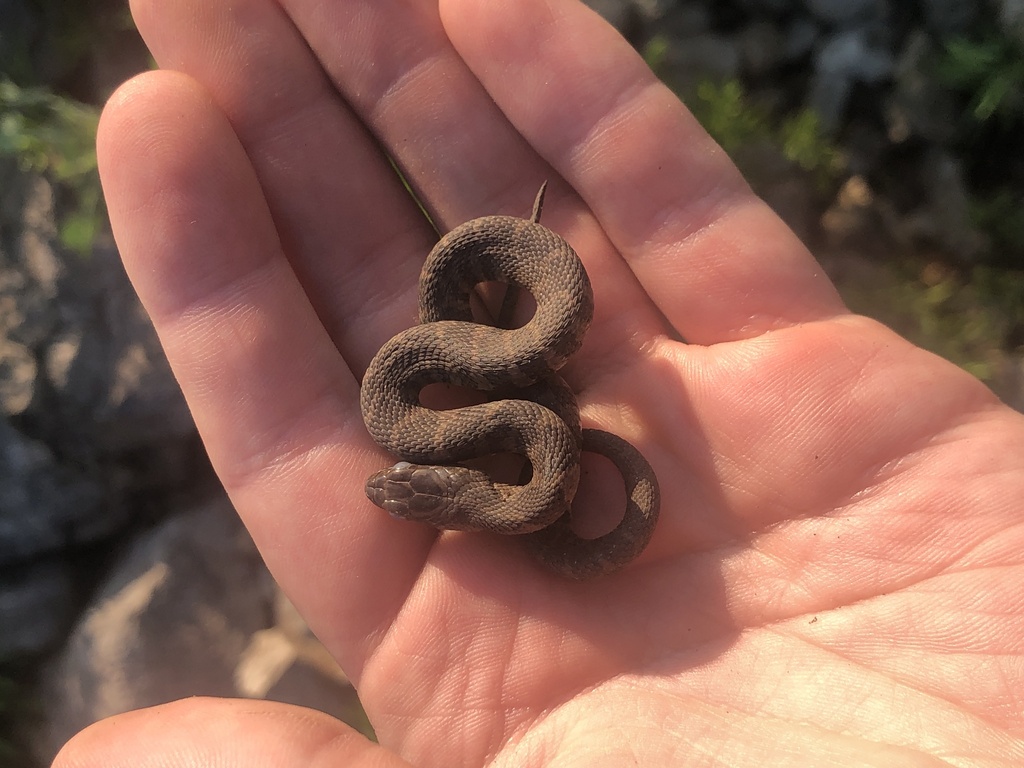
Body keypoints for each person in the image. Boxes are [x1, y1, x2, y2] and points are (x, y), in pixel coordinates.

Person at [56, 0, 1024, 765]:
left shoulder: (490, 439)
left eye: (409, 482)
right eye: (412, 484)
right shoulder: (460, 437)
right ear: (456, 491)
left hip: (517, 370)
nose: (397, 478)